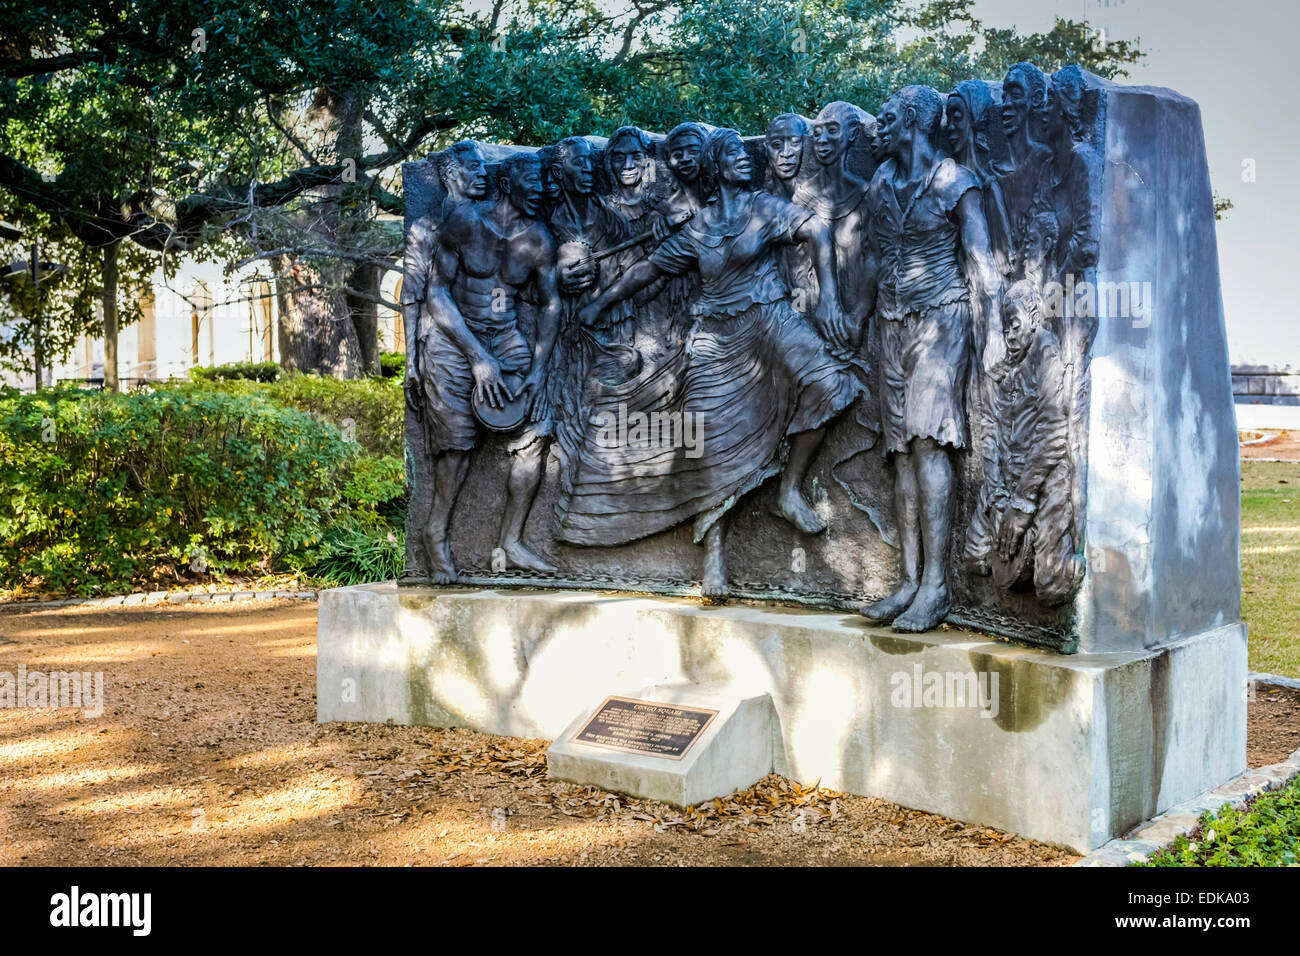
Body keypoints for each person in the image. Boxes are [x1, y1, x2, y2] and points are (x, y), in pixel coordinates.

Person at [570, 128, 865, 599]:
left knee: (829, 384)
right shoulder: (699, 228)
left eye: (745, 154)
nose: (744, 159)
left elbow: (817, 230)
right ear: (715, 166)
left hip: (771, 316)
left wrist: (829, 298)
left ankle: (790, 489)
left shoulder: (765, 208)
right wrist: (598, 303)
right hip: (716, 333)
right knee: (707, 438)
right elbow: (647, 270)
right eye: (732, 154)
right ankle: (715, 556)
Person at [858, 85, 1004, 632]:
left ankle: (939, 587)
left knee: (927, 443)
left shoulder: (954, 182)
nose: (879, 126)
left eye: (888, 117)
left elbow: (980, 259)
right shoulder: (881, 183)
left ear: (915, 122)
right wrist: (856, 314)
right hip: (891, 324)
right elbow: (875, 257)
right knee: (900, 452)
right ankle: (911, 580)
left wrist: (993, 333)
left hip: (941, 319)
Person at [418, 152, 563, 581]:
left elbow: (552, 303)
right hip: (455, 336)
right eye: (531, 181)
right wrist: (477, 357)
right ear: (508, 185)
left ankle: (511, 542)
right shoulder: (465, 223)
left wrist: (537, 368)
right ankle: (436, 533)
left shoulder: (538, 240)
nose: (538, 189)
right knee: (458, 443)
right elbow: (437, 294)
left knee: (537, 428)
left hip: (504, 334)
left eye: (541, 182)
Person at [964, 280, 1082, 605]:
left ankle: (1059, 557)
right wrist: (999, 495)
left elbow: (1054, 429)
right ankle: (1022, 545)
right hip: (1005, 483)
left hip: (1042, 480)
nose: (1010, 336)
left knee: (1052, 586)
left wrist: (1022, 502)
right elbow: (988, 433)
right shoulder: (1002, 371)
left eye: (1014, 326)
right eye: (1005, 330)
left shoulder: (1046, 350)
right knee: (975, 559)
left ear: (1032, 316)